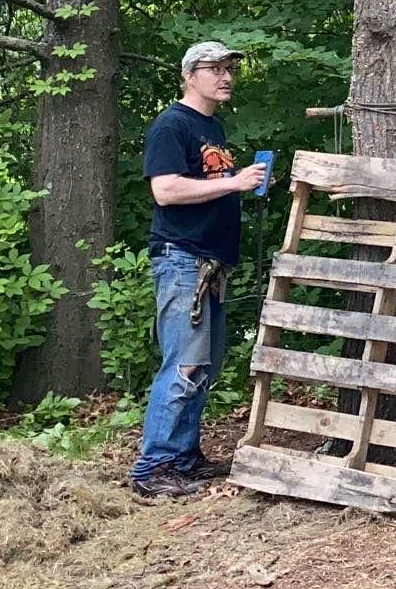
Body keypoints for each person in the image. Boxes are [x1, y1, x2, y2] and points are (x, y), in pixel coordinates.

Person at [129, 40, 268, 498]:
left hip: (210, 264)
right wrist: (235, 181)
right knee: (185, 364)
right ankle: (154, 469)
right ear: (190, 75)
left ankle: (183, 459)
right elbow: (165, 191)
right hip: (182, 259)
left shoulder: (213, 127)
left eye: (230, 68)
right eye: (215, 68)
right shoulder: (171, 125)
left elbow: (207, 185)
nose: (226, 76)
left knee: (204, 364)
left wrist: (239, 182)